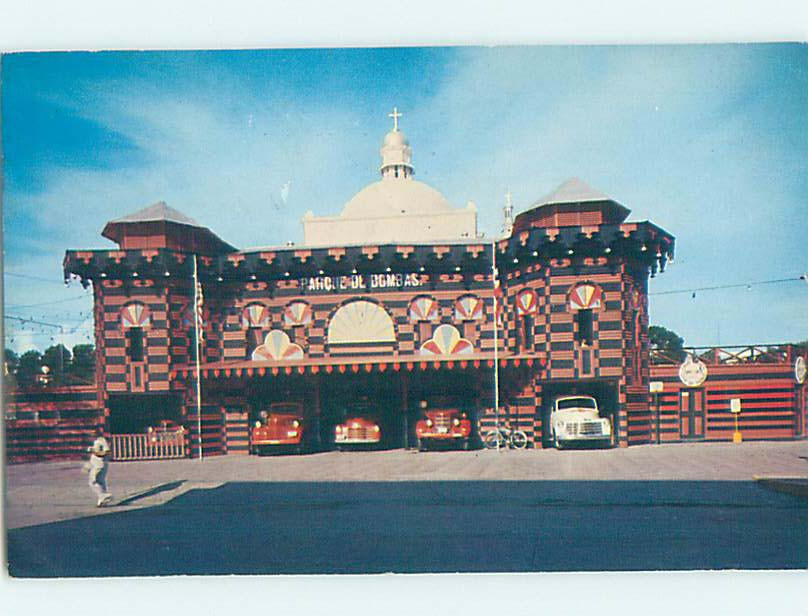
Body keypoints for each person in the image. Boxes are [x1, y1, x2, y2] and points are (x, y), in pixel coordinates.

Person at [84, 432, 112, 507]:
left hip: (99, 464)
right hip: (95, 464)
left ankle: (103, 495)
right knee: (101, 481)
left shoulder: (101, 441)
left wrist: (93, 451)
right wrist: (88, 466)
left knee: (93, 481)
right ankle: (102, 500)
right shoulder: (95, 441)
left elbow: (106, 452)